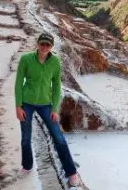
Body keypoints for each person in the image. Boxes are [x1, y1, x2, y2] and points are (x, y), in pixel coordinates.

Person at [15, 32, 79, 187]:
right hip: (27, 102)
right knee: (25, 137)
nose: (44, 47)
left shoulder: (55, 62)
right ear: (37, 44)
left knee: (59, 138)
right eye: (42, 44)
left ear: (51, 47)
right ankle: (27, 165)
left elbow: (56, 86)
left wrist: (55, 109)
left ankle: (71, 172)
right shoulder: (26, 59)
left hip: (45, 104)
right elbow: (18, 83)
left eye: (47, 45)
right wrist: (18, 106)